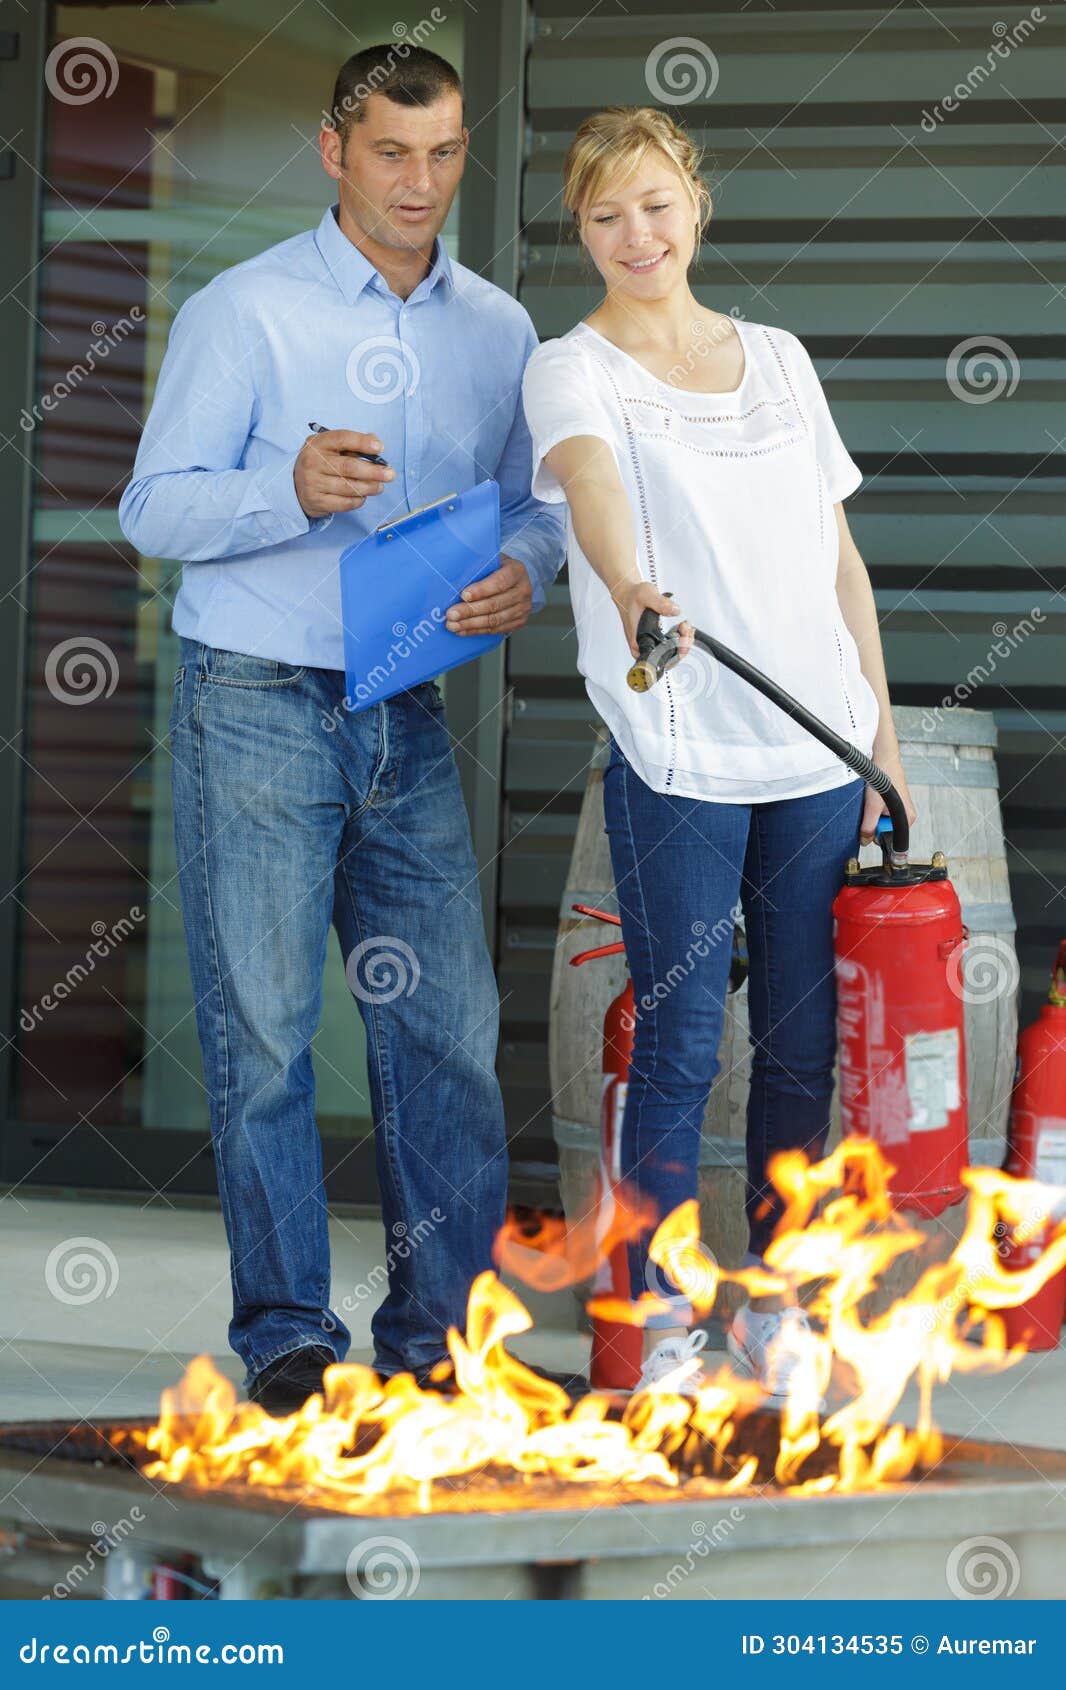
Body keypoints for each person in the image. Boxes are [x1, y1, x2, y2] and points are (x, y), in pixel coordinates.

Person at [119, 45, 568, 1413]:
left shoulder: (499, 330)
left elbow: (536, 505)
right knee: (261, 1029)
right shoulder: (243, 313)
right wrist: (287, 489)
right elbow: (153, 510)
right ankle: (288, 1341)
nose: (419, 182)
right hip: (251, 695)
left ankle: (442, 1340)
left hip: (404, 703)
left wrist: (528, 572)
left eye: (442, 155)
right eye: (390, 153)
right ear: (334, 152)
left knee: (445, 1028)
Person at [521, 106, 917, 1404]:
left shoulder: (780, 361)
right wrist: (630, 582)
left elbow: (836, 556)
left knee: (800, 1042)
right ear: (579, 231)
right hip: (679, 744)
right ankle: (651, 1322)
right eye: (601, 215)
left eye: (651, 204)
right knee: (683, 1036)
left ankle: (780, 1308)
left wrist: (879, 733)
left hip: (807, 745)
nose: (632, 235)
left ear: (693, 206)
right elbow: (586, 485)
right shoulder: (571, 367)